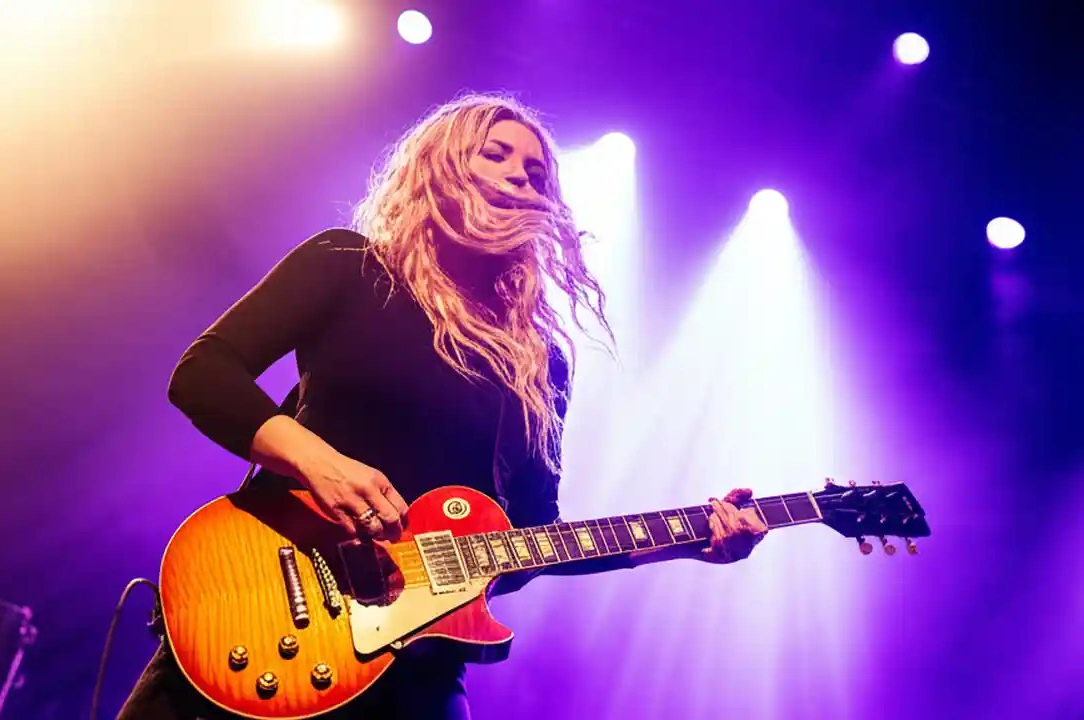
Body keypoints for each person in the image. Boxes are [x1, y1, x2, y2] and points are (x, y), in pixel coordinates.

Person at [117, 93, 768, 720]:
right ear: (440, 163)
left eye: (536, 172)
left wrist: (682, 543)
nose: (520, 174)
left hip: (415, 668)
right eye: (496, 154)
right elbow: (203, 373)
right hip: (262, 606)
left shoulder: (540, 363)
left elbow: (532, 534)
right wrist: (320, 462)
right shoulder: (346, 267)